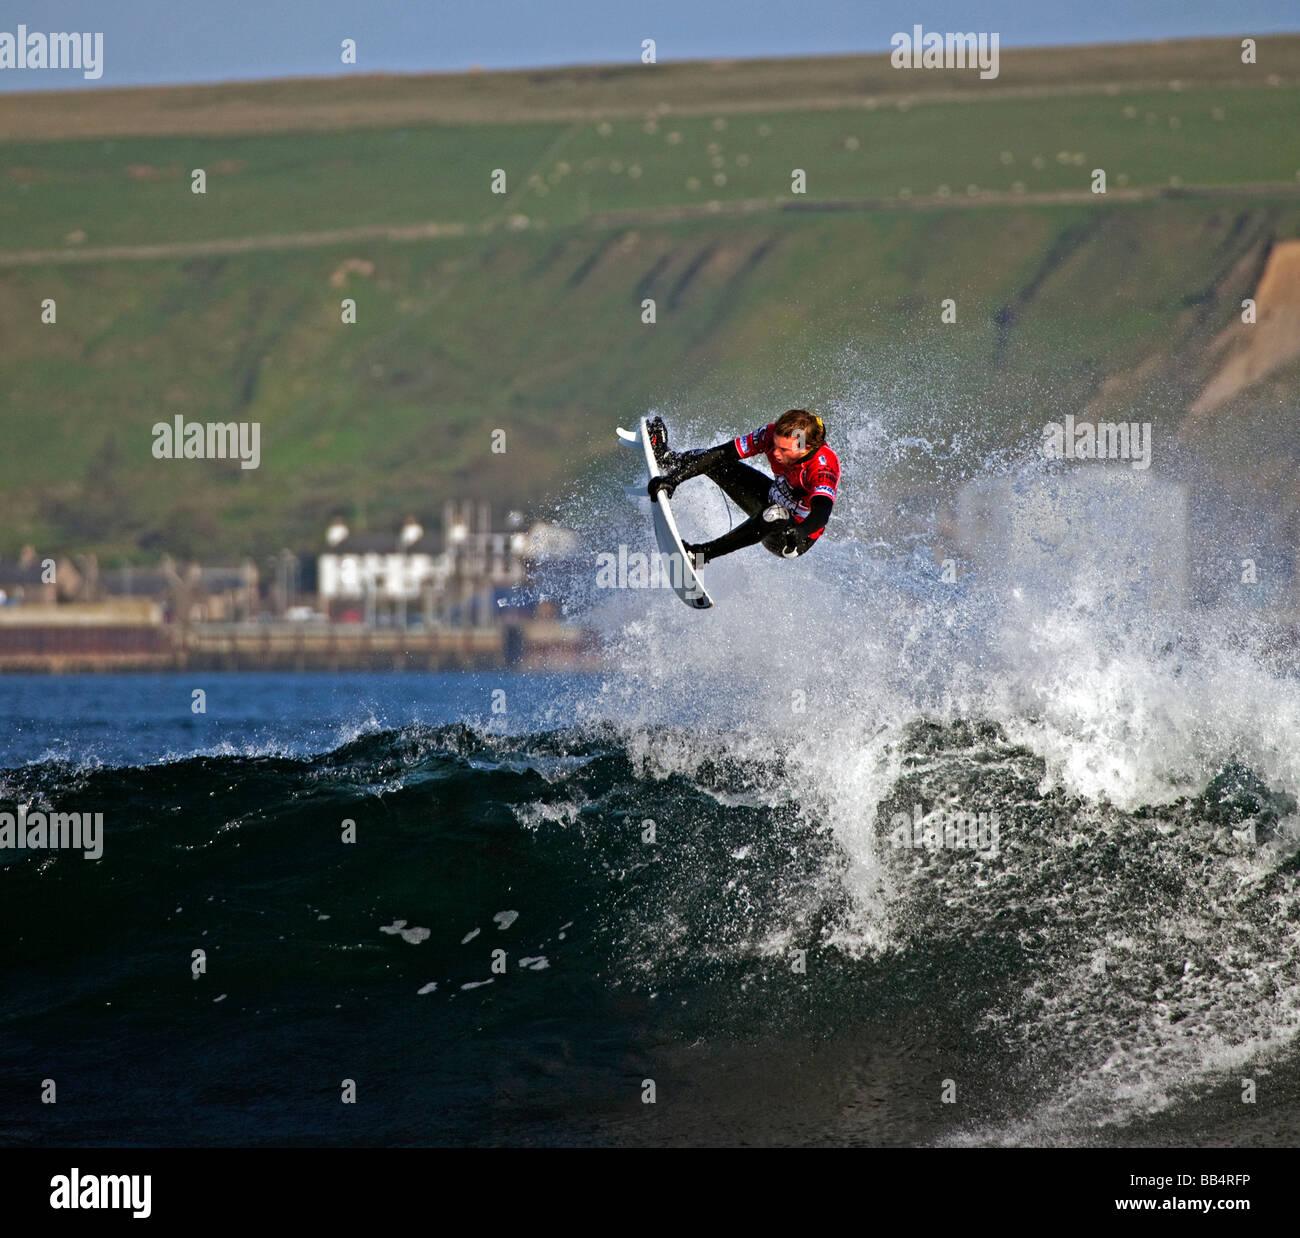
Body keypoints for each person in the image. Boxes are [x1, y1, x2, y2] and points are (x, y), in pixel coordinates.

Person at [645, 410, 840, 564]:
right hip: (770, 499)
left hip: (792, 536)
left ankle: (700, 555)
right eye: (775, 445)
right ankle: (666, 458)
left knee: (775, 514)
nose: (776, 454)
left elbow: (822, 511)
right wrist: (675, 479)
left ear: (803, 447)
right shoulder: (770, 435)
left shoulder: (823, 466)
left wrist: (802, 532)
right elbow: (723, 453)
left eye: (784, 450)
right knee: (709, 458)